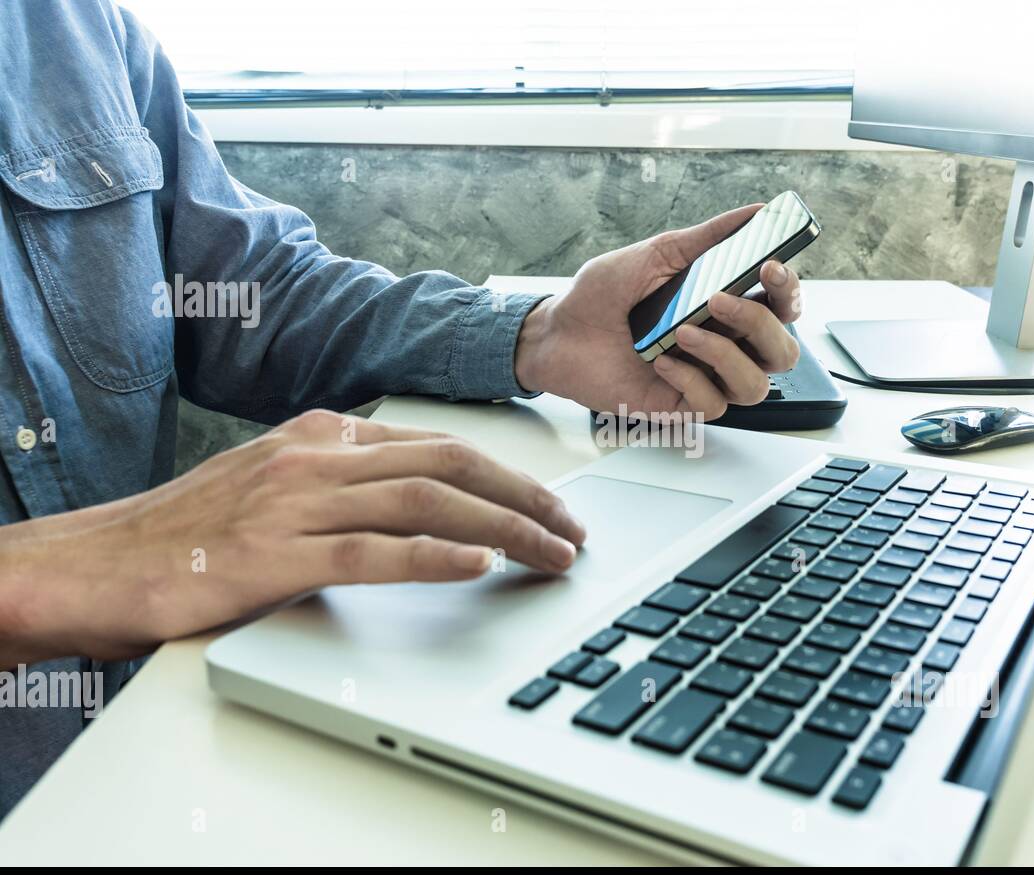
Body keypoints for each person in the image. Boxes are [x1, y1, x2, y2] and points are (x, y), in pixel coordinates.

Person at [0, 0, 803, 817]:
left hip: (139, 740)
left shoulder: (72, 26)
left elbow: (250, 295)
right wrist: (49, 572)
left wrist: (538, 336)